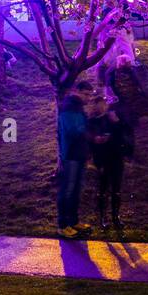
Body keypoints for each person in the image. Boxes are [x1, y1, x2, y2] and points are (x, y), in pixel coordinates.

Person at [87, 95, 132, 232]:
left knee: (116, 190)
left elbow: (125, 133)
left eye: (103, 103)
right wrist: (96, 139)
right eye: (98, 104)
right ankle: (102, 218)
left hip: (116, 158)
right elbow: (88, 139)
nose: (102, 106)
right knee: (102, 189)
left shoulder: (113, 118)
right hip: (101, 159)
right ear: (94, 106)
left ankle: (115, 217)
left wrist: (117, 122)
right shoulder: (91, 121)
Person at [56, 89, 92, 239]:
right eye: (86, 94)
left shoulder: (79, 109)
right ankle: (63, 225)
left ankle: (74, 221)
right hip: (71, 155)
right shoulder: (67, 109)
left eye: (90, 94)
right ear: (77, 92)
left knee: (76, 190)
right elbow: (72, 131)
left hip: (80, 154)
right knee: (68, 190)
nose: (88, 97)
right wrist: (87, 128)